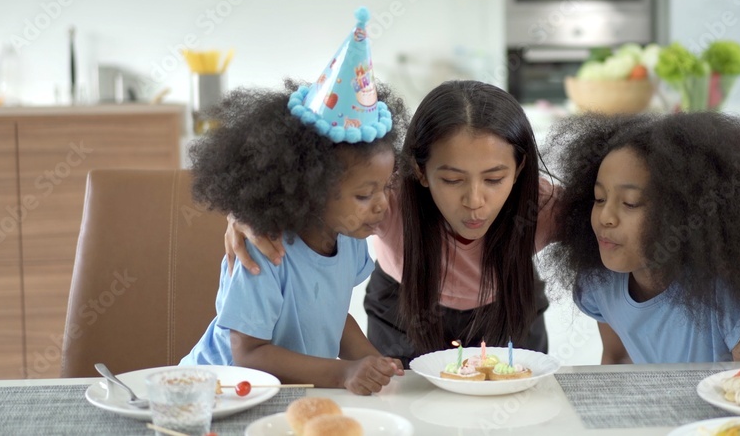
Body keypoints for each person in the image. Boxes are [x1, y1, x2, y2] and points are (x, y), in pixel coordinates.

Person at [226, 80, 557, 365]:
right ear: (419, 170)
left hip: (510, 308)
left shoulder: (542, 204)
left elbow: (596, 212)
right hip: (404, 313)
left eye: (494, 178)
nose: (474, 201)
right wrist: (246, 212)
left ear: (519, 168)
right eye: (452, 180)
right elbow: (312, 179)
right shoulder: (387, 193)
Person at [181, 8, 406, 395]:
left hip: (286, 394)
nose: (382, 205)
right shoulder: (264, 252)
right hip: (216, 392)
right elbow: (248, 354)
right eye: (364, 194)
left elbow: (333, 317)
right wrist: (343, 373)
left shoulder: (349, 237)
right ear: (310, 188)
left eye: (386, 188)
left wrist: (374, 361)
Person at [543, 111, 740, 364]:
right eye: (599, 199)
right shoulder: (600, 282)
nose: (605, 217)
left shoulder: (732, 298)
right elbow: (617, 359)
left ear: (682, 213)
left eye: (630, 203)